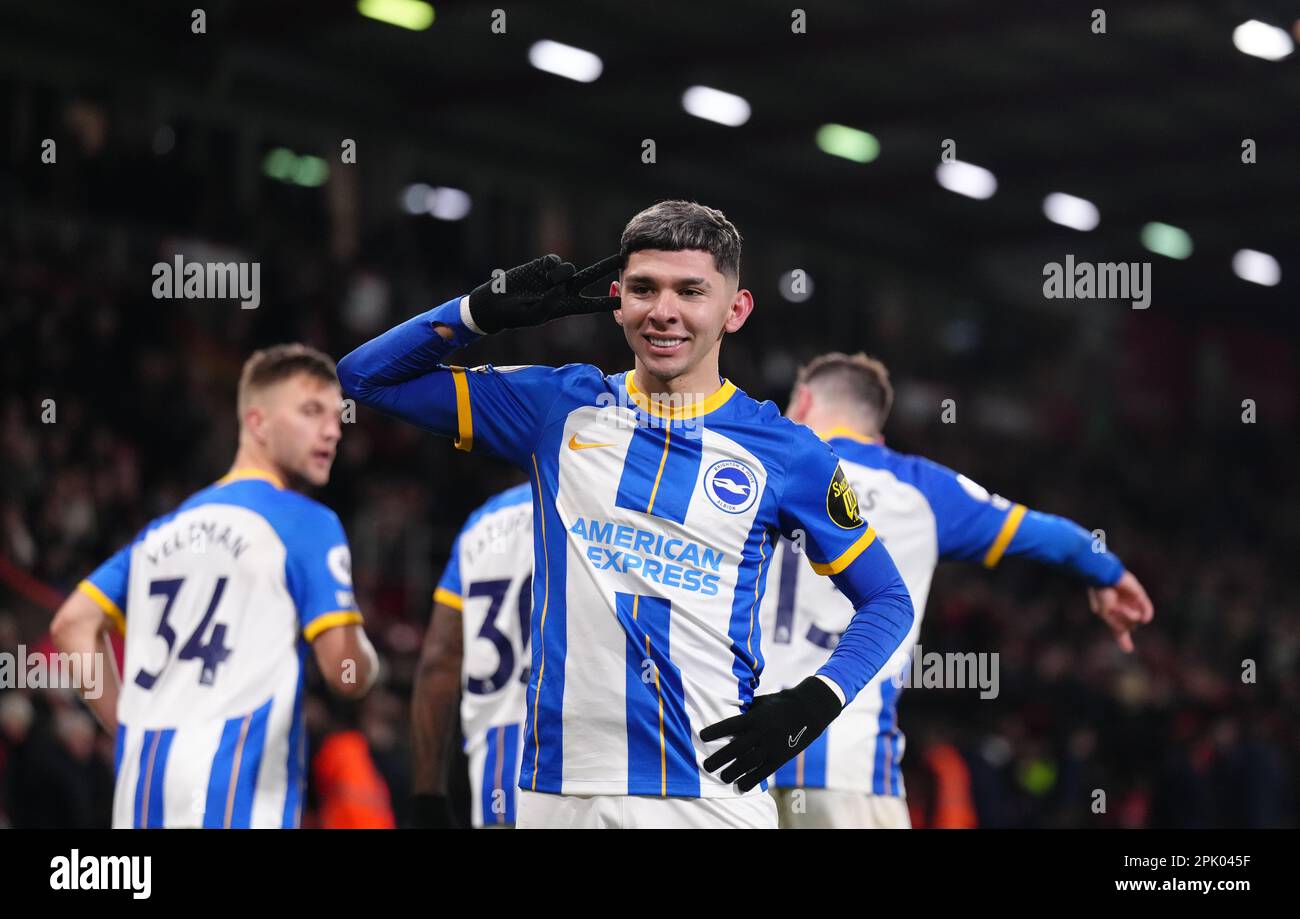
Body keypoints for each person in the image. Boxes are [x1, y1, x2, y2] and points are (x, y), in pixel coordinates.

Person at [339, 200, 914, 829]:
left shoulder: (789, 454)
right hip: (559, 791)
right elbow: (365, 377)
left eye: (691, 291)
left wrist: (813, 702)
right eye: (644, 288)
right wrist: (481, 313)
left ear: (736, 309)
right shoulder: (556, 407)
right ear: (616, 301)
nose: (663, 312)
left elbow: (888, 600)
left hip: (709, 791)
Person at [760, 352, 1154, 827]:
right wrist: (1108, 574)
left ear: (802, 403)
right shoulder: (921, 489)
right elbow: (1049, 536)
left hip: (735, 750)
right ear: (877, 430)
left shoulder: (759, 464)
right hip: (848, 761)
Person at [50, 344, 379, 828]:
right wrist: (369, 661)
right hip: (230, 802)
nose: (332, 429)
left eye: (336, 416)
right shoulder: (306, 523)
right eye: (311, 412)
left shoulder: (161, 531)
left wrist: (129, 726)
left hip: (140, 798)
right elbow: (343, 672)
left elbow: (71, 624)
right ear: (258, 422)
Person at [411, 483, 533, 828]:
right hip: (587, 780)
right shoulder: (604, 504)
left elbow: (439, 661)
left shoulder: (482, 523)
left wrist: (427, 795)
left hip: (497, 787)